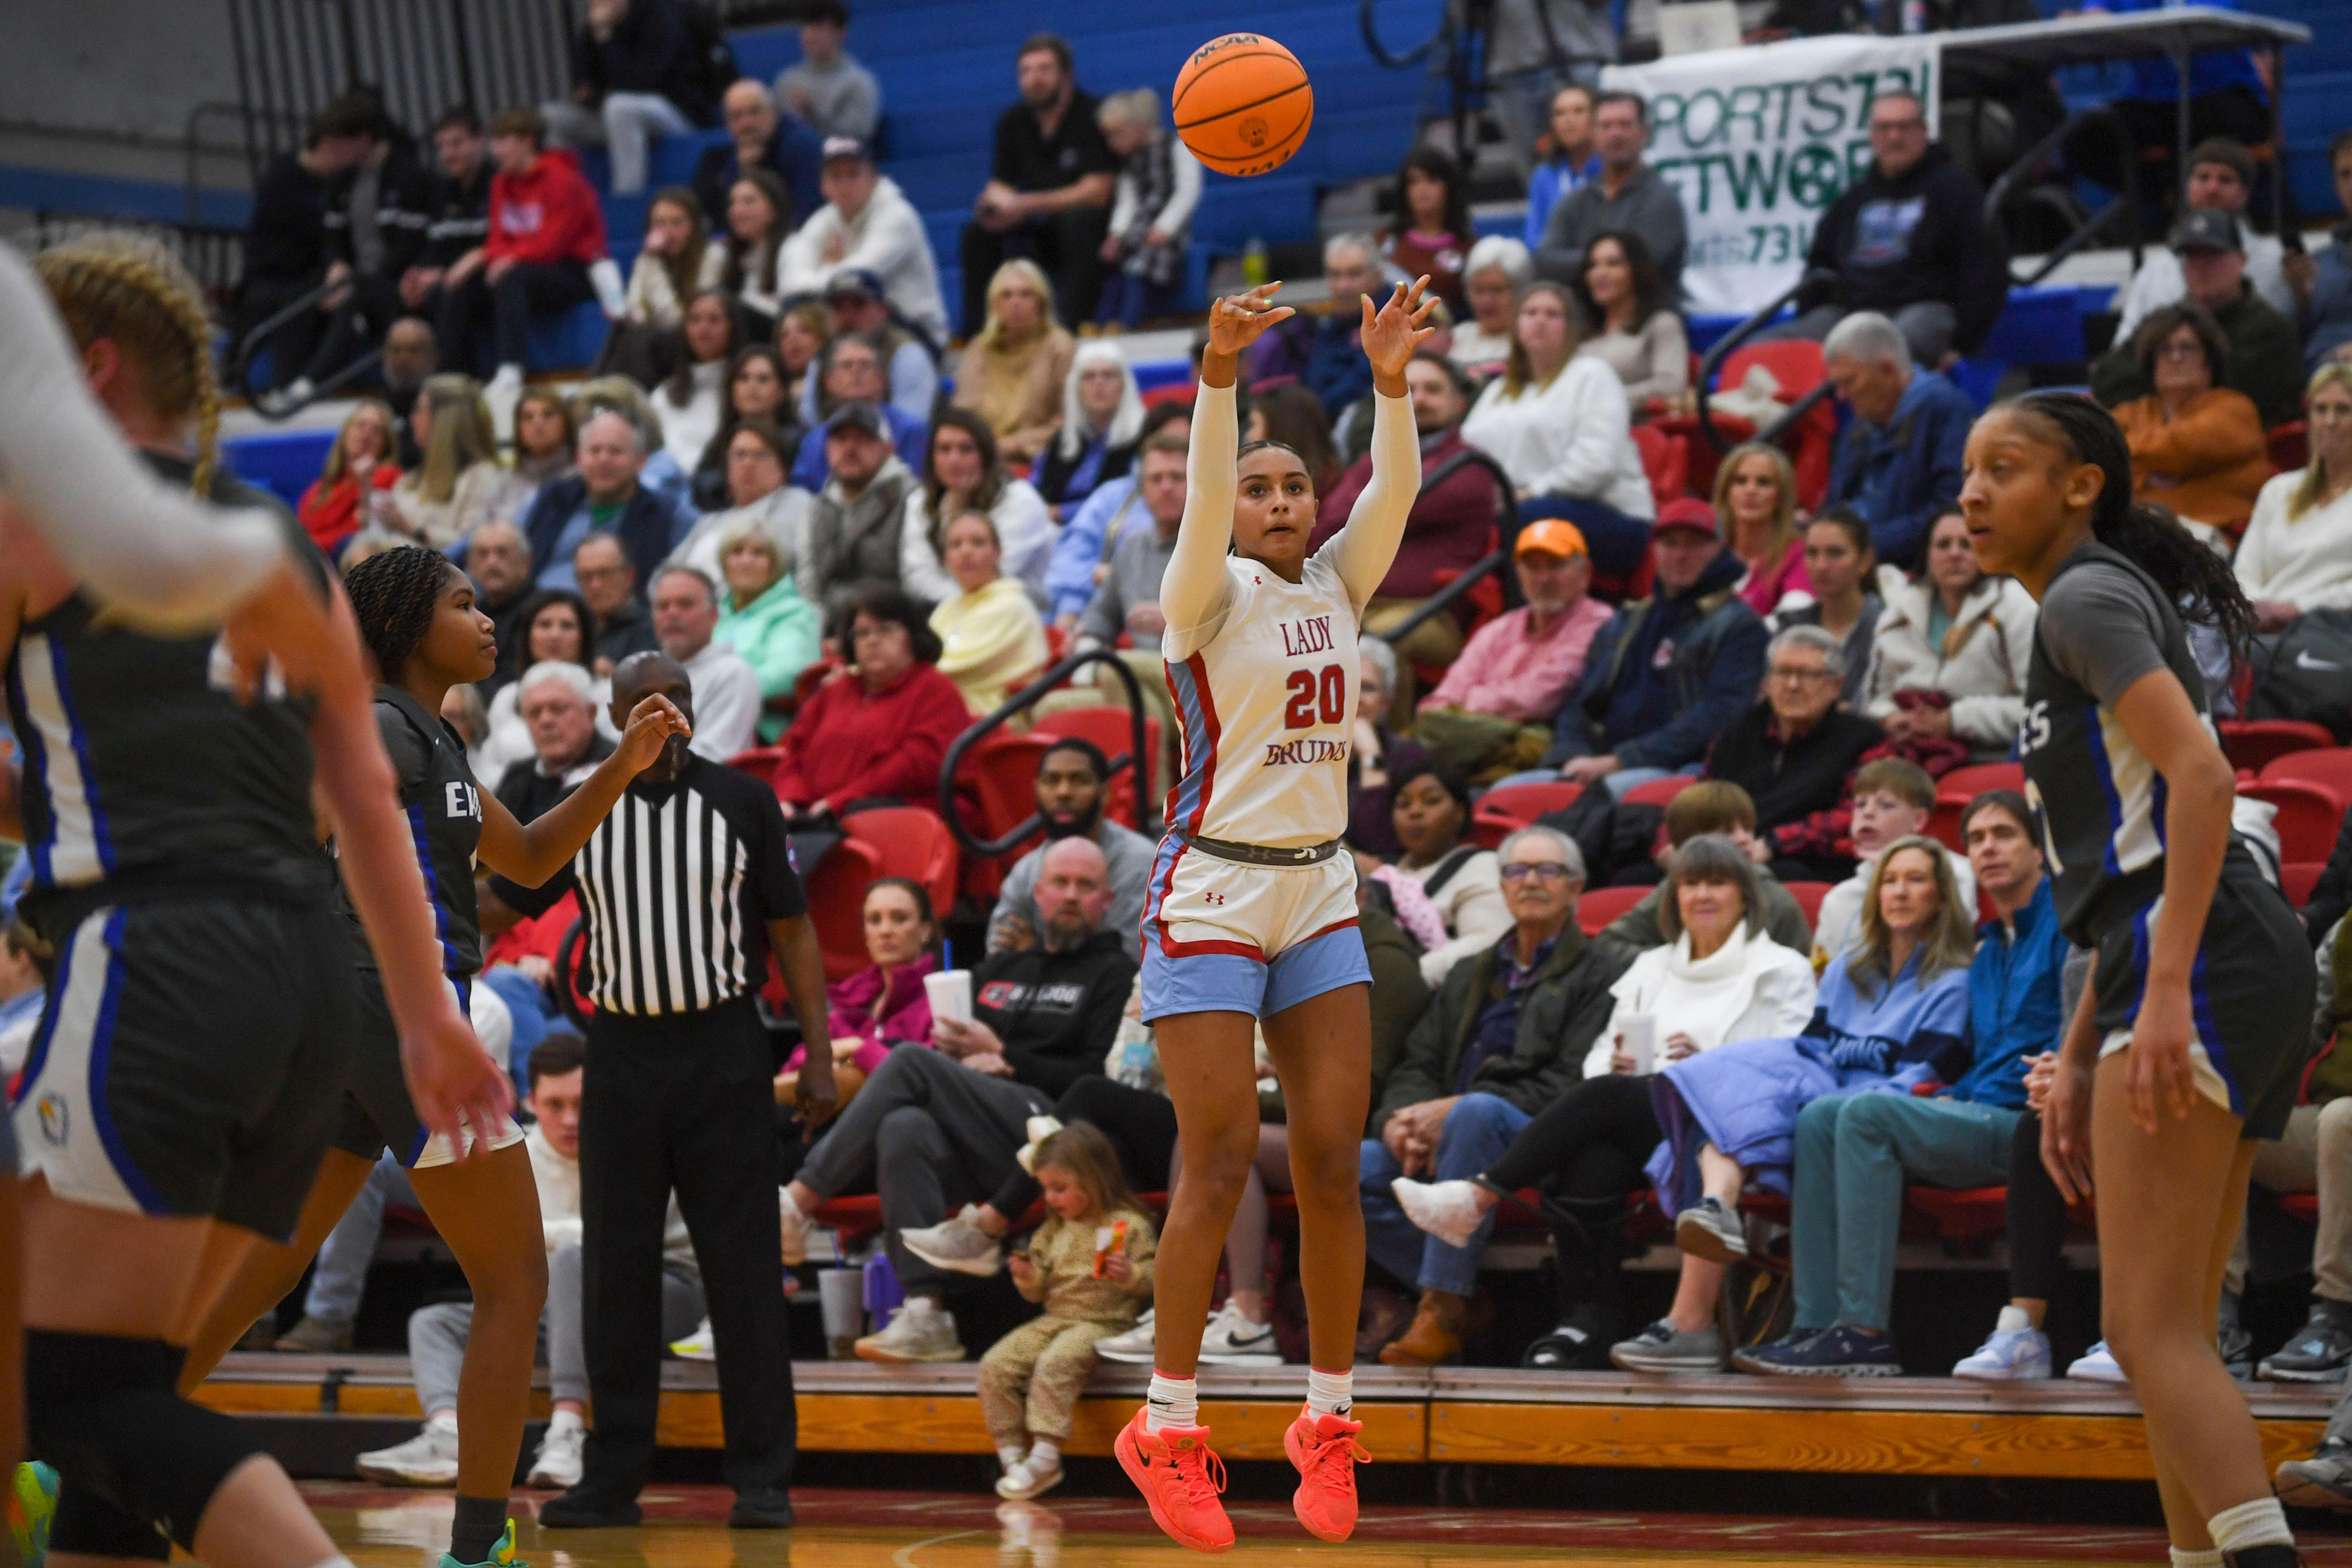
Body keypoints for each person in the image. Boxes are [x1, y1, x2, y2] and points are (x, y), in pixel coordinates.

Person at [6, 231, 495, 1568]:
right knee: (127, 1403)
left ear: (88, 370)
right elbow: (357, 785)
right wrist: (424, 1018)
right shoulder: (274, 534)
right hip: (302, 983)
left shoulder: (31, 515)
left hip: (156, 958)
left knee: (70, 1394)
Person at [178, 542, 689, 1562]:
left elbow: (533, 858)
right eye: (467, 602)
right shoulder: (373, 723)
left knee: (262, 1279)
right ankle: (477, 1544)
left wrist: (619, 769)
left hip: (373, 1023)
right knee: (512, 1281)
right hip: (392, 1011)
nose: (489, 616)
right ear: (411, 624)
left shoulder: (432, 737)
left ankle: (66, 1437)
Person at [1962, 388, 2313, 1568]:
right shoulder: (2078, 604)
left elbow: (2204, 782)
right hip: (2187, 952)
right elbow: (2111, 862)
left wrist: (2161, 996)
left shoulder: (2085, 592)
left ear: (2080, 486)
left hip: (2200, 951)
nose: (1972, 490)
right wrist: (2079, 1045)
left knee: (2144, 1325)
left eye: (2003, 466)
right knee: (2174, 1331)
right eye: (1966, 470)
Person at [1117, 274, 1432, 1552]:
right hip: (1208, 883)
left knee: (1327, 1164)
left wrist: (1391, 385)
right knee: (1206, 1162)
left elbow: (1394, 495)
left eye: (1296, 484)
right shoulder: (1204, 599)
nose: (1280, 499)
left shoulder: (1338, 591)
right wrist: (1215, 374)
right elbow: (1199, 501)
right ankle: (1169, 1422)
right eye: (1258, 486)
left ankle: (1325, 1418)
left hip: (1313, 883)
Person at [475, 648, 833, 1532]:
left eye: (675, 697)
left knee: (743, 1270)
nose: (663, 713)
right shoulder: (587, 810)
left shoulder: (744, 801)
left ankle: (762, 1476)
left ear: (693, 706)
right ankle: (613, 1475)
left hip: (725, 1049)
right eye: (644, 702)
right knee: (616, 1272)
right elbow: (506, 897)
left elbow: (791, 928)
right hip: (623, 1055)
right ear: (614, 711)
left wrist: (818, 1055)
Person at [1392, 834, 1817, 1368]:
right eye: (1690, 883)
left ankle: (1477, 1198)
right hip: (1646, 1117)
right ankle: (1585, 1325)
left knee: (1610, 1104)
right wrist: (1616, 1064)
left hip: (1727, 1124)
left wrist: (1708, 1060)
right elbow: (1595, 1065)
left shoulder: (1783, 967)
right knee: (1594, 1157)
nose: (1702, 894)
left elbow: (1785, 1061)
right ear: (1673, 896)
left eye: (1717, 882)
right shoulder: (1650, 966)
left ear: (1746, 897)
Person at [1614, 837, 1975, 1372]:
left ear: (1942, 898)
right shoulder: (1848, 969)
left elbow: (1921, 1078)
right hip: (1814, 1087)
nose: (1900, 891)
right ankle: (1716, 1210)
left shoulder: (1953, 981)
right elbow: (1809, 1049)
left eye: (1917, 880)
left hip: (1864, 1112)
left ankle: (1693, 1314)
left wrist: (1815, 1100)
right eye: (1891, 880)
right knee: (1717, 1085)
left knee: (1735, 1120)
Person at [779, 838, 1139, 1358]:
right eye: (1059, 883)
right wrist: (969, 1065)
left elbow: (1098, 1083)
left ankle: (797, 1203)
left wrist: (1008, 1056)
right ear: (1036, 894)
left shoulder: (1114, 974)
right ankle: (927, 1313)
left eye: (1085, 886)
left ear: (1106, 901)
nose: (1069, 896)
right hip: (986, 1138)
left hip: (1056, 1130)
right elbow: (947, 1056)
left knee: (905, 1060)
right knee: (902, 1126)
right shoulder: (997, 972)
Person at [1743, 794, 2063, 1375]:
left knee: (1866, 1112)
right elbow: (1985, 1056)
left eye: (2005, 834)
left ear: (2040, 849)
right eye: (1978, 837)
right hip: (1974, 1108)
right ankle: (1814, 1323)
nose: (1989, 847)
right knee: (1819, 1114)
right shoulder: (1988, 950)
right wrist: (1949, 1092)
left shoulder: (2069, 924)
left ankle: (1864, 1332)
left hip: (2029, 1123)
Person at [353, 1034, 702, 1491]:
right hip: (566, 1311)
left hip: (662, 1293)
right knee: (434, 1322)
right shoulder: (516, 1157)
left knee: (573, 1260)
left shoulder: (633, 1143)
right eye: (555, 1105)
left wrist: (550, 1239)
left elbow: (616, 1246)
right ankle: (449, 1436)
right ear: (531, 1103)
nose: (571, 1119)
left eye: (581, 1102)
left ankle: (568, 1428)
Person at [1358, 825, 1630, 1364]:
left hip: (1543, 1141)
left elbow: (1577, 1084)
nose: (1530, 881)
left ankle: (1441, 1303)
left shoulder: (1605, 970)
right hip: (1450, 1136)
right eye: (1516, 871)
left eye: (1547, 870)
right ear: (1501, 889)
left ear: (1576, 888)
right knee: (1348, 1165)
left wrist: (1454, 1111)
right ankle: (1466, 1301)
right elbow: (1418, 1063)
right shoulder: (1469, 973)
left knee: (1477, 1113)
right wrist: (1400, 1120)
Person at [1761, 91, 2007, 369]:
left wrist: (1963, 345)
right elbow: (1818, 269)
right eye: (1884, 127)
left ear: (1923, 131)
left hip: (1925, 309)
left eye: (1904, 127)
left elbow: (1986, 273)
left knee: (1886, 354)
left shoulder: (1958, 191)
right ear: (1871, 135)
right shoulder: (1851, 200)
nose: (1894, 137)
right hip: (1852, 314)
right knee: (1763, 352)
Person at [1538, 499, 1768, 797]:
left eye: (1695, 544)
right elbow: (1580, 704)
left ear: (1721, 550)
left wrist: (1622, 760)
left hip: (1680, 769)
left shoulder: (1740, 628)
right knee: (1507, 793)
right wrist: (1570, 756)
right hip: (1599, 762)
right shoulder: (1625, 621)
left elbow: (1719, 718)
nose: (1680, 555)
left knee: (1595, 799)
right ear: (1654, 550)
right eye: (1670, 543)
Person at [1311, 352, 1504, 705]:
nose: (1420, 399)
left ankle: (1392, 753)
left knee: (1373, 646)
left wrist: (1357, 503)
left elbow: (1374, 512)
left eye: (1433, 390)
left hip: (1431, 614)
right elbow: (1325, 525)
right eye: (1409, 389)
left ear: (1458, 403)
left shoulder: (1469, 468)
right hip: (1359, 604)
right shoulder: (1375, 458)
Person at [980, 1123, 1159, 1502]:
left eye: (1060, 1188)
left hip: (1106, 1322)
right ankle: (1012, 1457)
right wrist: (1028, 1278)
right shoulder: (1052, 1231)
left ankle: (1045, 1458)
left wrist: (1132, 1275)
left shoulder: (1129, 1226)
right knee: (996, 1364)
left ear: (1094, 1180)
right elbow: (1038, 1292)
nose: (1051, 1198)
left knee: (1056, 1363)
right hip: (1055, 1319)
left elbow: (1158, 1281)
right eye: (1046, 1188)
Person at [1460, 281, 1656, 582]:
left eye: (1553, 314)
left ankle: (1517, 609)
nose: (1540, 321)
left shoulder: (1592, 374)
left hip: (1612, 517)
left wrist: (1529, 493)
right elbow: (1469, 451)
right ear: (1516, 326)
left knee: (1521, 518)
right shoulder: (1499, 389)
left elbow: (1596, 464)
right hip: (1519, 506)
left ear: (1570, 328)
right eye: (1530, 313)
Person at [436, 109, 604, 403]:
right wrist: (488, 257)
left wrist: (506, 258)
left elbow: (553, 244)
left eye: (504, 140)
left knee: (510, 277)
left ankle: (510, 370)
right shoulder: (502, 183)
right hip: (526, 269)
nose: (496, 150)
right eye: (495, 141)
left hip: (573, 270)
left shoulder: (564, 180)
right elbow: (498, 238)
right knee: (462, 285)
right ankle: (454, 376)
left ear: (529, 141)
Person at [768, 588, 972, 829]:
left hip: (898, 819)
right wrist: (789, 799)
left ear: (914, 636)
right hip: (815, 818)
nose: (872, 641)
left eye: (886, 629)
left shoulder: (935, 689)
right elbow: (793, 750)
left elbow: (914, 766)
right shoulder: (834, 690)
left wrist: (839, 802)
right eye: (862, 633)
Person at [960, 32, 1118, 331]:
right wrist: (993, 205)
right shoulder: (1011, 122)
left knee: (1080, 222)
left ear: (1066, 75)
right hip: (1034, 223)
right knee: (977, 234)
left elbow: (1098, 191)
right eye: (1026, 71)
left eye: (1044, 69)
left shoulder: (1093, 114)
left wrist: (1026, 204)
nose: (1035, 79)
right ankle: (977, 336)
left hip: (1086, 224)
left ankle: (1071, 329)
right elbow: (1001, 184)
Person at [2091, 208, 2306, 429]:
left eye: (2213, 255)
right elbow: (2107, 380)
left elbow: (2245, 395)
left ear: (2241, 261)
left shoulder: (2270, 329)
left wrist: (2161, 381)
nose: (2202, 267)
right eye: (2192, 257)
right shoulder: (2164, 322)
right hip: (2160, 444)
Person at [1862, 508, 2040, 764]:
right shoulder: (1897, 614)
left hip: (1991, 756)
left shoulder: (2016, 607)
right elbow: (1874, 701)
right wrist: (1892, 719)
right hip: (1905, 752)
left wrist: (1953, 721)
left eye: (1967, 544)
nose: (1955, 554)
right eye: (1943, 545)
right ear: (1927, 554)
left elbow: (2037, 708)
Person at [1705, 625, 1885, 873]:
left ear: (1836, 686)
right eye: (1782, 673)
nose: (1792, 685)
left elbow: (1857, 814)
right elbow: (1702, 800)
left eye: (1808, 675)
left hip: (1808, 862)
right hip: (1728, 854)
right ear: (1767, 683)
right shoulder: (1737, 734)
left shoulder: (1865, 740)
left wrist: (1775, 842)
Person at [238, 95, 374, 394]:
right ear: (334, 143)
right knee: (300, 303)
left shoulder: (341, 185)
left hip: (315, 277)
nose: (360, 159)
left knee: (346, 298)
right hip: (276, 280)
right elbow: (290, 250)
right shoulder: (283, 179)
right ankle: (287, 385)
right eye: (357, 148)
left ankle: (310, 383)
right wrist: (330, 269)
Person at [1419, 518, 1610, 729]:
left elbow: (1539, 698)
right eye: (1532, 567)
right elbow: (1441, 699)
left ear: (1586, 572)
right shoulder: (1498, 629)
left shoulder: (1600, 623)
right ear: (1519, 575)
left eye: (1556, 565)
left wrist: (1464, 705)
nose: (1544, 579)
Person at [1821, 312, 1973, 572]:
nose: (1842, 396)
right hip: (1853, 564)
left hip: (1911, 572)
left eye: (1849, 382)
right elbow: (1834, 504)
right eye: (1837, 385)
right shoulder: (1860, 425)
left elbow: (1950, 510)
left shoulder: (1945, 410)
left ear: (1888, 370)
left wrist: (1863, 546)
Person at [1595, 782, 1818, 957]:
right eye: (1727, 832)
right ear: (1690, 844)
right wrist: (1677, 965)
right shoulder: (1673, 892)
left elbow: (1800, 973)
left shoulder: (1776, 900)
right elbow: (1609, 945)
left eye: (1748, 829)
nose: (1743, 840)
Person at [988, 738, 1159, 963]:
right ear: (1037, 790)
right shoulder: (1025, 871)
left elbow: (1127, 965)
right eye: (1052, 780)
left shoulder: (1140, 863)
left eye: (1079, 780)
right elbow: (999, 962)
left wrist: (1036, 953)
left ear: (1105, 792)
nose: (1064, 792)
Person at [2113, 303, 2271, 545]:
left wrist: (2131, 464)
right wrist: (2146, 472)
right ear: (2152, 361)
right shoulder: (2134, 413)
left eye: (2187, 348)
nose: (2176, 358)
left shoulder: (2234, 408)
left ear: (2209, 359)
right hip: (2140, 534)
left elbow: (2180, 448)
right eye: (2165, 350)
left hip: (2211, 539)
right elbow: (2097, 456)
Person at [2114, 139, 2295, 345]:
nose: (2212, 188)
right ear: (2188, 187)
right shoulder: (2156, 268)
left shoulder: (2273, 258)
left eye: (2225, 180)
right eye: (2203, 178)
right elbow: (2125, 341)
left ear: (2245, 194)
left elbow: (2278, 335)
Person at [778, 136, 950, 348]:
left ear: (874, 179)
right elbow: (790, 284)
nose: (844, 185)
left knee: (841, 307)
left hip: (915, 333)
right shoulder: (824, 219)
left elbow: (858, 279)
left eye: (853, 175)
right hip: (856, 327)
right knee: (795, 313)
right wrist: (830, 278)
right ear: (823, 185)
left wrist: (825, 269)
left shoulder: (897, 216)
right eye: (835, 176)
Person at [792, 877, 940, 1115]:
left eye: (900, 919)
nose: (885, 931)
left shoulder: (939, 1001)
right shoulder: (850, 999)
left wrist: (857, 1050)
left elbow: (923, 1085)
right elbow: (795, 1065)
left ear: (925, 931)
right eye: (874, 920)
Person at [543, 0, 720, 197]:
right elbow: (587, 83)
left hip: (674, 111)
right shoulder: (593, 31)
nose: (597, 5)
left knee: (619, 107)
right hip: (618, 116)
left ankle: (627, 197)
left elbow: (639, 81)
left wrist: (606, 38)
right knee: (552, 117)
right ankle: (564, 198)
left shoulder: (659, 19)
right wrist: (588, 93)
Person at [1809, 758, 1978, 961]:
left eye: (1887, 806)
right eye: (1861, 805)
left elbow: (1952, 944)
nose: (1868, 813)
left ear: (1918, 820)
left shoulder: (1958, 872)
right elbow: (1822, 974)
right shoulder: (1838, 899)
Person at [1043, 399, 1194, 626]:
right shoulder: (1129, 536)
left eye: (1176, 477)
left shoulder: (1220, 537)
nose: (1166, 487)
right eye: (1156, 478)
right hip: (1120, 631)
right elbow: (1099, 612)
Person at [1534, 92, 1687, 301]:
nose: (1616, 134)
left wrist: (1585, 262)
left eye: (1625, 125)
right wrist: (1609, 261)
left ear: (1644, 134)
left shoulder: (1661, 200)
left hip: (1649, 320)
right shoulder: (1575, 201)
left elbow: (1641, 267)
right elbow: (1545, 261)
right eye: (1606, 126)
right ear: (1593, 135)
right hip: (1589, 325)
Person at [522, 406, 684, 594]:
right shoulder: (551, 500)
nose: (604, 459)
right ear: (579, 458)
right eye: (595, 450)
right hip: (537, 614)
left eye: (616, 451)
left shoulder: (668, 514)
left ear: (641, 461)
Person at [900, 408, 1055, 604]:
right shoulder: (919, 501)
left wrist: (950, 518)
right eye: (944, 449)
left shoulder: (1021, 501)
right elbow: (918, 575)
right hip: (944, 611)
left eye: (966, 449)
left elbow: (992, 576)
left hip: (1016, 610)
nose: (954, 459)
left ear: (985, 455)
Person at [2239, 365, 2352, 631]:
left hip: (2328, 632)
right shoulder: (2278, 490)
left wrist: (2296, 608)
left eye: (2344, 410)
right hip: (2257, 629)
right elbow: (2245, 572)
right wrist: (2255, 608)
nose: (2330, 422)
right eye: (2321, 409)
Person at [1380, 763, 1510, 986]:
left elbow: (1487, 943)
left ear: (1460, 812)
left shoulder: (1483, 866)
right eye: (1403, 804)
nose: (1415, 812)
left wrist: (1400, 981)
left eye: (1431, 801)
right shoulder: (1386, 876)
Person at [381, 375, 529, 551]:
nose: (412, 419)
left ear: (444, 423)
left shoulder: (484, 476)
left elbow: (473, 544)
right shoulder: (410, 479)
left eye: (420, 410)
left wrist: (412, 530)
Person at [800, 402, 920, 616]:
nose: (850, 448)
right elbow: (809, 590)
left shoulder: (911, 499)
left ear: (888, 449)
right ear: (827, 449)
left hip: (894, 623)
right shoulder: (817, 507)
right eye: (841, 440)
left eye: (863, 440)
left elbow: (916, 584)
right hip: (830, 629)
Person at [1095, 89, 1202, 330]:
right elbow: (1128, 201)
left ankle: (1126, 324)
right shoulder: (1131, 162)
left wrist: (1165, 227)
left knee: (1139, 266)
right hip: (1139, 231)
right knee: (1115, 267)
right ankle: (1102, 322)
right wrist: (1116, 234)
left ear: (1141, 126)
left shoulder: (1175, 147)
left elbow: (1187, 191)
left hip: (1168, 235)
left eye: (1118, 134)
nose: (1112, 144)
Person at [1246, 235, 1381, 423]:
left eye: (1354, 274)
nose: (1343, 286)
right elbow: (1314, 378)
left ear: (1378, 276)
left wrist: (1311, 413)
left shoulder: (1391, 318)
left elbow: (1365, 383)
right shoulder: (1330, 323)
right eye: (1335, 275)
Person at [952, 259, 1075, 464]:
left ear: (1042, 302)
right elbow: (963, 414)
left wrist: (1013, 445)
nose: (1016, 303)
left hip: (1041, 460)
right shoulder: (979, 348)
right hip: (983, 459)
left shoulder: (1059, 346)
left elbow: (1068, 421)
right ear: (994, 305)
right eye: (1006, 295)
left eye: (1026, 294)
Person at [711, 513, 821, 738]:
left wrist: (718, 693)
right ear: (724, 563)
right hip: (706, 720)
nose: (746, 561)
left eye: (758, 553)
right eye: (737, 552)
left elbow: (789, 673)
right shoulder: (715, 615)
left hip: (761, 732)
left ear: (775, 565)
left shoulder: (793, 612)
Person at [930, 510, 1049, 714]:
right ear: (945, 559)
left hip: (991, 721)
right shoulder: (946, 608)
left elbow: (950, 670)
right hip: (944, 713)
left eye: (978, 543)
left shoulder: (1012, 605)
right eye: (956, 545)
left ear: (998, 553)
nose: (966, 552)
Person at [478, 588, 599, 781]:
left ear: (583, 637)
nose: (555, 635)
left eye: (567, 626)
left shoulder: (605, 693)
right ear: (528, 636)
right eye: (544, 625)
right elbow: (488, 763)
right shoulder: (507, 697)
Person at [646, 564, 762, 761]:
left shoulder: (733, 674)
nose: (672, 613)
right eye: (663, 606)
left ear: (714, 615)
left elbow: (712, 756)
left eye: (685, 604)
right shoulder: (642, 674)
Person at [801, 267, 942, 427]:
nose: (848, 317)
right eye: (838, 308)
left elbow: (912, 428)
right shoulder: (822, 357)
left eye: (859, 306)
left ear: (884, 311)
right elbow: (810, 423)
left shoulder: (907, 354)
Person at [1772, 509, 1883, 707]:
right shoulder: (1790, 625)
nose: (1821, 565)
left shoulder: (1887, 626)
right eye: (1812, 553)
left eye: (1835, 553)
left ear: (1865, 561)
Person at [791, 332, 929, 490]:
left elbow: (913, 489)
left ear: (881, 380)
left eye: (865, 365)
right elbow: (803, 494)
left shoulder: (911, 430)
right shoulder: (814, 440)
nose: (856, 371)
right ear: (829, 381)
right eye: (847, 365)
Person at [692, 77, 823, 233]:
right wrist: (742, 171)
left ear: (773, 112)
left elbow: (808, 214)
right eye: (736, 116)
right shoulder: (719, 157)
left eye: (754, 112)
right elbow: (705, 216)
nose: (746, 123)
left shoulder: (803, 147)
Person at [494, 660, 617, 825]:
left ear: (590, 712)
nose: (545, 721)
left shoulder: (618, 769)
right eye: (535, 712)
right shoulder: (516, 778)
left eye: (558, 709)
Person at [1573, 230, 1687, 408]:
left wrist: (1604, 401)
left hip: (1639, 429)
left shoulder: (1661, 324)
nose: (1600, 273)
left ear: (1636, 270)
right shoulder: (1581, 332)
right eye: (1592, 266)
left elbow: (1671, 386)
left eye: (1613, 264)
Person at [1035, 342, 1145, 521]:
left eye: (1108, 375)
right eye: (1089, 377)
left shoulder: (1143, 436)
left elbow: (1133, 498)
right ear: (1076, 388)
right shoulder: (1062, 439)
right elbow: (1036, 488)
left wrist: (1062, 513)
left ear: (1125, 385)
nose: (1099, 384)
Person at [687, 346, 804, 513]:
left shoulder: (797, 442)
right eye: (743, 378)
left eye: (763, 379)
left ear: (782, 392)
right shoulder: (719, 443)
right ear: (732, 390)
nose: (752, 386)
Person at [1715, 442, 1810, 616]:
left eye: (1764, 483)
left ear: (1782, 496)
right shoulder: (1709, 554)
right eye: (1741, 481)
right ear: (1726, 493)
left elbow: (1795, 619)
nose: (1751, 490)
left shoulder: (1798, 555)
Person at [651, 290, 739, 478]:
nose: (703, 328)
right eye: (695, 320)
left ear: (733, 327)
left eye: (714, 320)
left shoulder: (744, 389)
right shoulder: (663, 395)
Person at [297, 400, 400, 556]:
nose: (366, 434)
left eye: (377, 431)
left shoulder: (387, 476)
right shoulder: (320, 488)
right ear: (346, 432)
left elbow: (358, 532)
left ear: (385, 444)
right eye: (360, 425)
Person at [1380, 147, 1473, 312]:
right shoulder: (1384, 243)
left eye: (1432, 180)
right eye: (1414, 181)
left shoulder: (1469, 248)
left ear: (1449, 187)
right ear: (1404, 190)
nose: (1423, 188)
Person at [776, 0, 881, 142]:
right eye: (806, 26)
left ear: (841, 33)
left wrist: (812, 113)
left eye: (819, 27)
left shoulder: (859, 82)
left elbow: (857, 136)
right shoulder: (787, 81)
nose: (810, 35)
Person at [2294, 130, 2352, 374]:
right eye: (2346, 174)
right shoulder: (2317, 265)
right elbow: (2297, 350)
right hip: (2328, 391)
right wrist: (2302, 299)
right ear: (2335, 185)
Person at [1522, 84, 1599, 252]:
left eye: (1578, 111)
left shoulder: (1610, 170)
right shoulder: (1544, 174)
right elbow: (1534, 236)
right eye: (1559, 113)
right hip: (1554, 266)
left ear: (1597, 118)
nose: (1568, 120)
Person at [464, 521, 539, 692]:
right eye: (483, 554)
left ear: (526, 562)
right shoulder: (470, 611)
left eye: (502, 552)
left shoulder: (542, 613)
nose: (492, 562)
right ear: (470, 565)